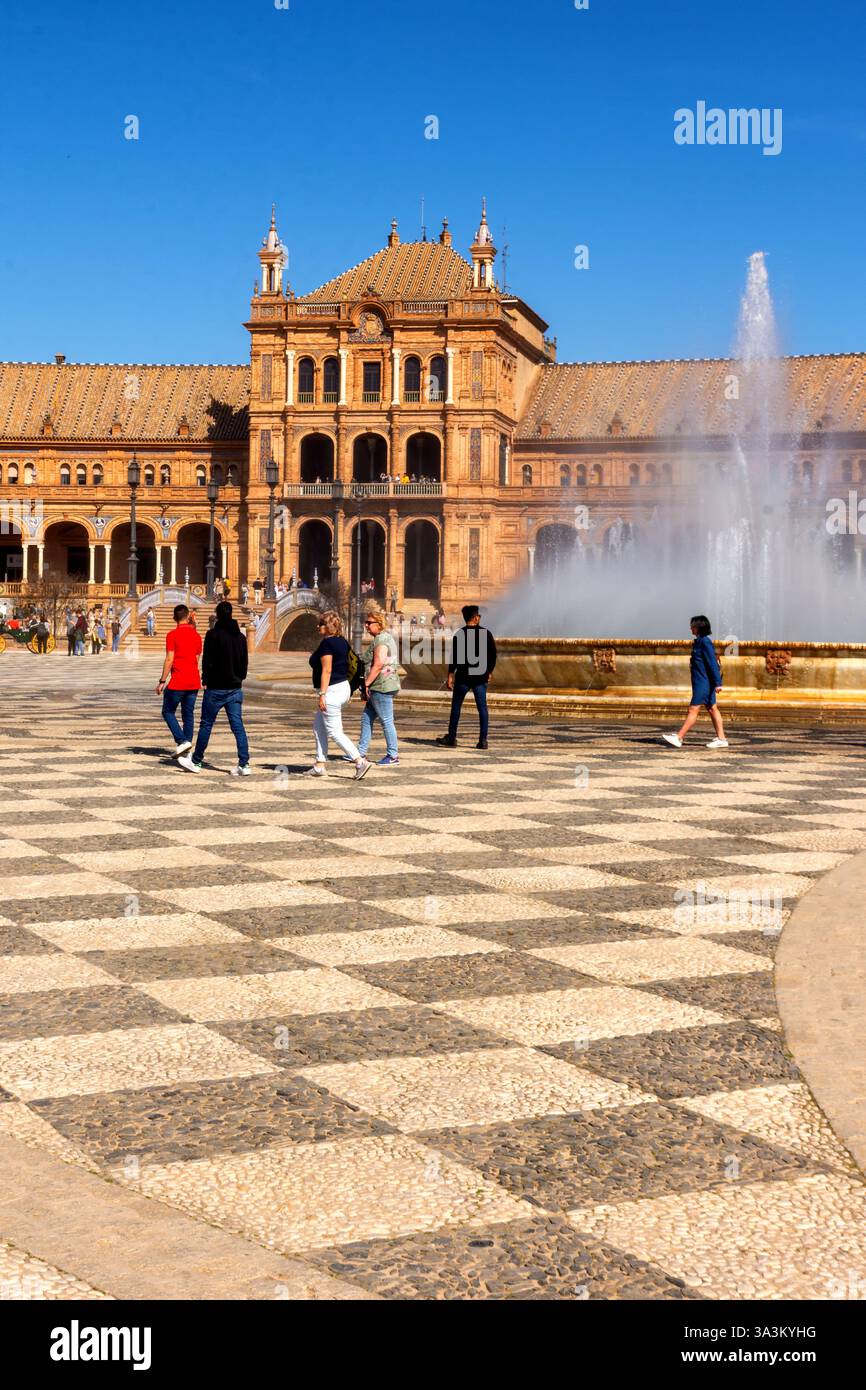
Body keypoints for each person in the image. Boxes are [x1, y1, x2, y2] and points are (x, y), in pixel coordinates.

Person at [178, 601, 251, 774]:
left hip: (216, 687)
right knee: (238, 726)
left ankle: (196, 761)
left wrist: (205, 679)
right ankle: (244, 764)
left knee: (206, 725)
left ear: (218, 615)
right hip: (235, 687)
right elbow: (244, 661)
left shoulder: (213, 635)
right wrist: (240, 677)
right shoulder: (240, 637)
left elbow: (207, 660)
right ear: (231, 614)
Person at [305, 611, 370, 779]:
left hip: (332, 691)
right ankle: (319, 765)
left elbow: (327, 670)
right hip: (343, 687)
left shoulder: (327, 644)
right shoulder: (342, 642)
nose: (317, 626)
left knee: (335, 732)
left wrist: (322, 694)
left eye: (320, 624)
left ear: (328, 627)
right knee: (319, 728)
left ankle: (359, 761)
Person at [436, 604, 497, 750]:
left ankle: (452, 737)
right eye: (479, 616)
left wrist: (450, 675)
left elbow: (455, 657)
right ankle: (483, 740)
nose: (480, 617)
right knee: (482, 708)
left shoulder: (460, 634)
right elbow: (492, 656)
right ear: (475, 618)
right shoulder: (486, 633)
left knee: (456, 707)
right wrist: (489, 671)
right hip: (480, 677)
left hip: (463, 677)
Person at [663, 615, 728, 749]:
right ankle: (722, 739)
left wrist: (718, 683)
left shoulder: (705, 642)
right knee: (712, 708)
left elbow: (712, 663)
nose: (690, 628)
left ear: (699, 627)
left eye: (692, 625)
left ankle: (679, 737)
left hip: (704, 682)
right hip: (701, 681)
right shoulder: (699, 641)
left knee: (693, 709)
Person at [156, 604, 203, 758]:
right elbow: (196, 659)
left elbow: (170, 658)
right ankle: (187, 749)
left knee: (168, 711)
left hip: (178, 681)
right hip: (193, 680)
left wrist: (162, 680)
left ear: (174, 618)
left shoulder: (172, 635)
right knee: (188, 714)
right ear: (188, 615)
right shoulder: (197, 636)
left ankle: (182, 741)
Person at [356, 606, 400, 766]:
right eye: (365, 623)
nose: (366, 625)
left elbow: (379, 664)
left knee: (387, 720)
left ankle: (393, 755)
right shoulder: (384, 637)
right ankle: (359, 752)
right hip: (383, 685)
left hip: (382, 686)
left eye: (369, 623)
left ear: (379, 624)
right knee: (366, 718)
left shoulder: (381, 640)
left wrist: (365, 684)